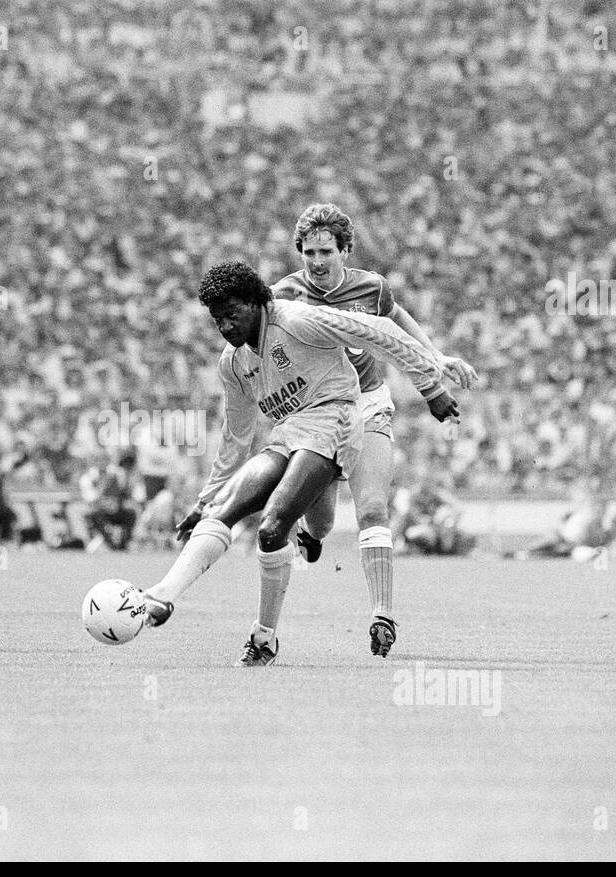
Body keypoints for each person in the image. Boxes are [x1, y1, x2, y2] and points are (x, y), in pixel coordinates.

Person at [138, 261, 458, 666]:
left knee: (272, 526)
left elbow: (379, 330)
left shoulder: (297, 320)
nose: (225, 326)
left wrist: (430, 386)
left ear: (255, 302)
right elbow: (235, 436)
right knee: (225, 511)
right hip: (290, 432)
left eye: (232, 314)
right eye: (217, 319)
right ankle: (163, 594)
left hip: (336, 418)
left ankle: (262, 637)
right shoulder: (233, 363)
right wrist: (204, 500)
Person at [269, 203, 477, 656]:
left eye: (326, 251)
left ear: (345, 251)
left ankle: (382, 616)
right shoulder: (283, 295)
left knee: (372, 508)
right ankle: (310, 536)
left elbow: (395, 319)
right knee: (322, 522)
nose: (317, 261)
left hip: (367, 406)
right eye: (309, 252)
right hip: (318, 416)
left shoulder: (371, 288)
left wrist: (435, 359)